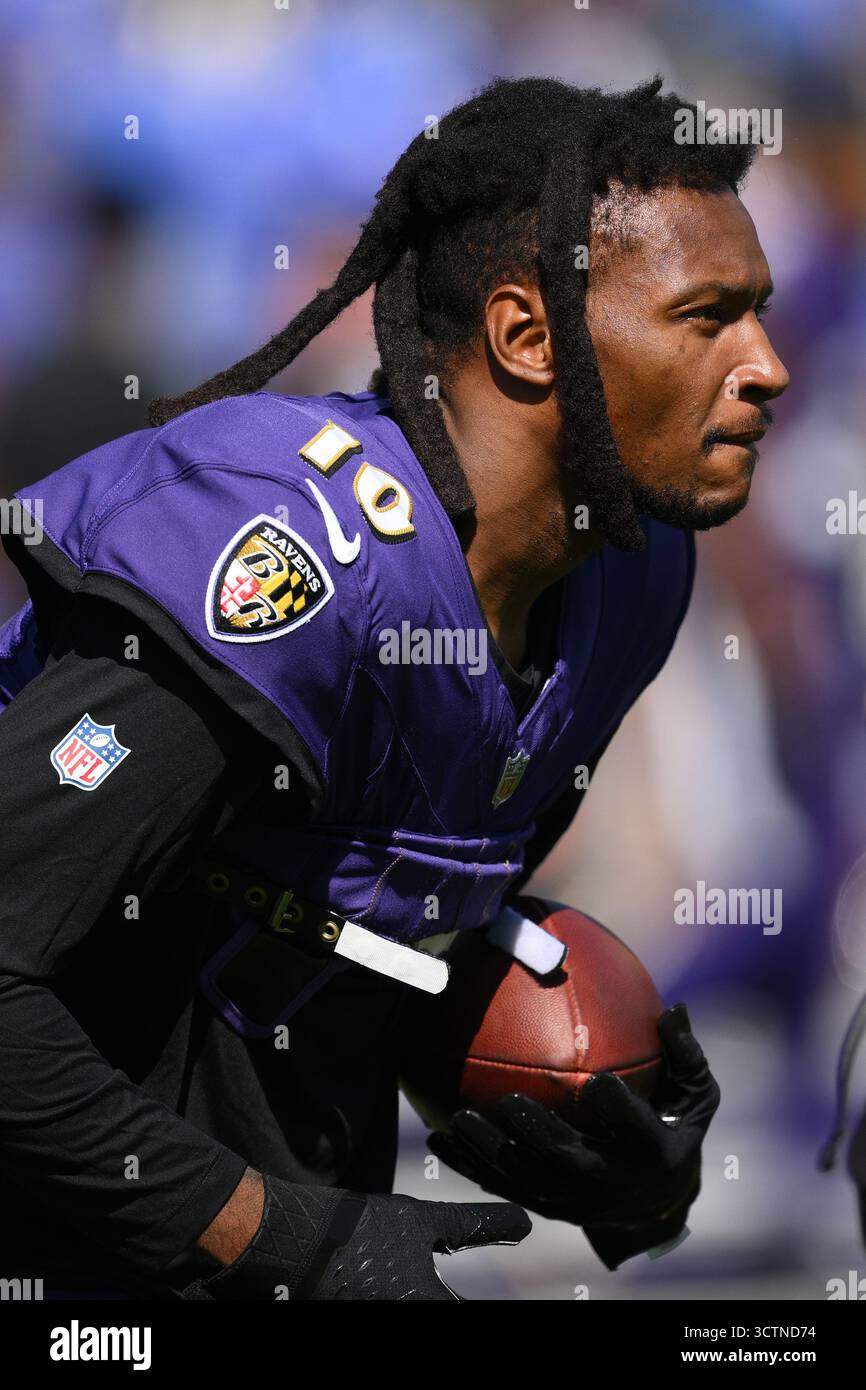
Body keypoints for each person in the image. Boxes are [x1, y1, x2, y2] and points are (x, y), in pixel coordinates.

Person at [0, 75, 788, 1300]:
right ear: (529, 339)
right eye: (707, 317)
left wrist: (585, 1133)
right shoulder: (289, 572)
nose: (768, 366)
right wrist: (272, 1233)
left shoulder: (625, 580)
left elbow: (323, 923)